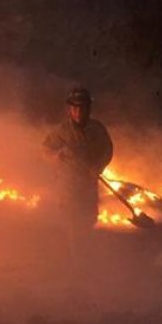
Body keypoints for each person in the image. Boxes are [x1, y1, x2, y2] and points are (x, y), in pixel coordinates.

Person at [42, 87, 113, 235]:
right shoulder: (62, 131)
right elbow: (45, 149)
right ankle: (73, 256)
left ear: (89, 109)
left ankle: (84, 254)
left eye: (82, 108)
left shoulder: (97, 130)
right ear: (69, 109)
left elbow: (107, 151)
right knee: (72, 225)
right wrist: (57, 156)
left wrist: (98, 167)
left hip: (88, 186)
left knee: (89, 222)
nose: (78, 112)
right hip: (69, 187)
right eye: (75, 108)